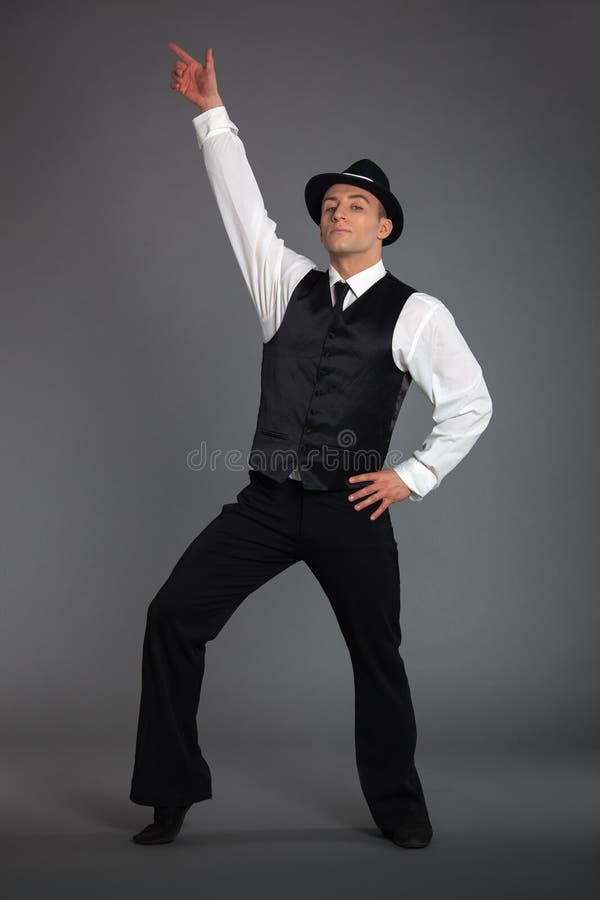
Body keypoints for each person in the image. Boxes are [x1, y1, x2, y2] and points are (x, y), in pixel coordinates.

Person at [129, 44, 493, 848]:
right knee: (172, 616)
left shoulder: (417, 312)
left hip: (352, 511)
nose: (338, 212)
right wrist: (210, 113)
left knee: (378, 659)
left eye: (355, 204)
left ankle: (399, 807)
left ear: (385, 223)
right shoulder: (282, 282)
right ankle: (171, 791)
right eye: (329, 203)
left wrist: (413, 476)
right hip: (266, 504)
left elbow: (470, 403)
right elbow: (241, 206)